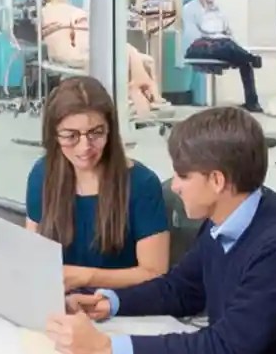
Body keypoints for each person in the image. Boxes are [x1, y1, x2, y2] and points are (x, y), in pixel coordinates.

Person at [48, 107, 276, 354]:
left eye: (182, 175)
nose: (175, 186)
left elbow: (224, 350)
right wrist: (110, 302)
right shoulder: (226, 218)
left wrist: (105, 348)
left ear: (217, 181)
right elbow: (182, 289)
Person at [25, 76, 169, 291]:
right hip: (57, 301)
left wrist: (85, 277)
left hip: (121, 308)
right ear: (53, 135)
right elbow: (32, 253)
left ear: (110, 131)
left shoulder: (141, 184)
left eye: (96, 133)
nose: (85, 147)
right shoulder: (42, 173)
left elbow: (154, 272)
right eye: (70, 136)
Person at [40, 0, 169, 116]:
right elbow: (67, 40)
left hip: (85, 46)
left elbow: (84, 33)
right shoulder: (47, 11)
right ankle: (135, 95)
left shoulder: (73, 10)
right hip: (73, 53)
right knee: (125, 50)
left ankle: (151, 97)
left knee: (143, 58)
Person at [181, 0, 264, 113]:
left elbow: (227, 31)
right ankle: (249, 57)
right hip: (198, 46)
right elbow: (192, 36)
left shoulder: (218, 10)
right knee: (227, 47)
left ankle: (252, 102)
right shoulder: (190, 8)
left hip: (220, 45)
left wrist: (225, 39)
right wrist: (215, 38)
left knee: (241, 58)